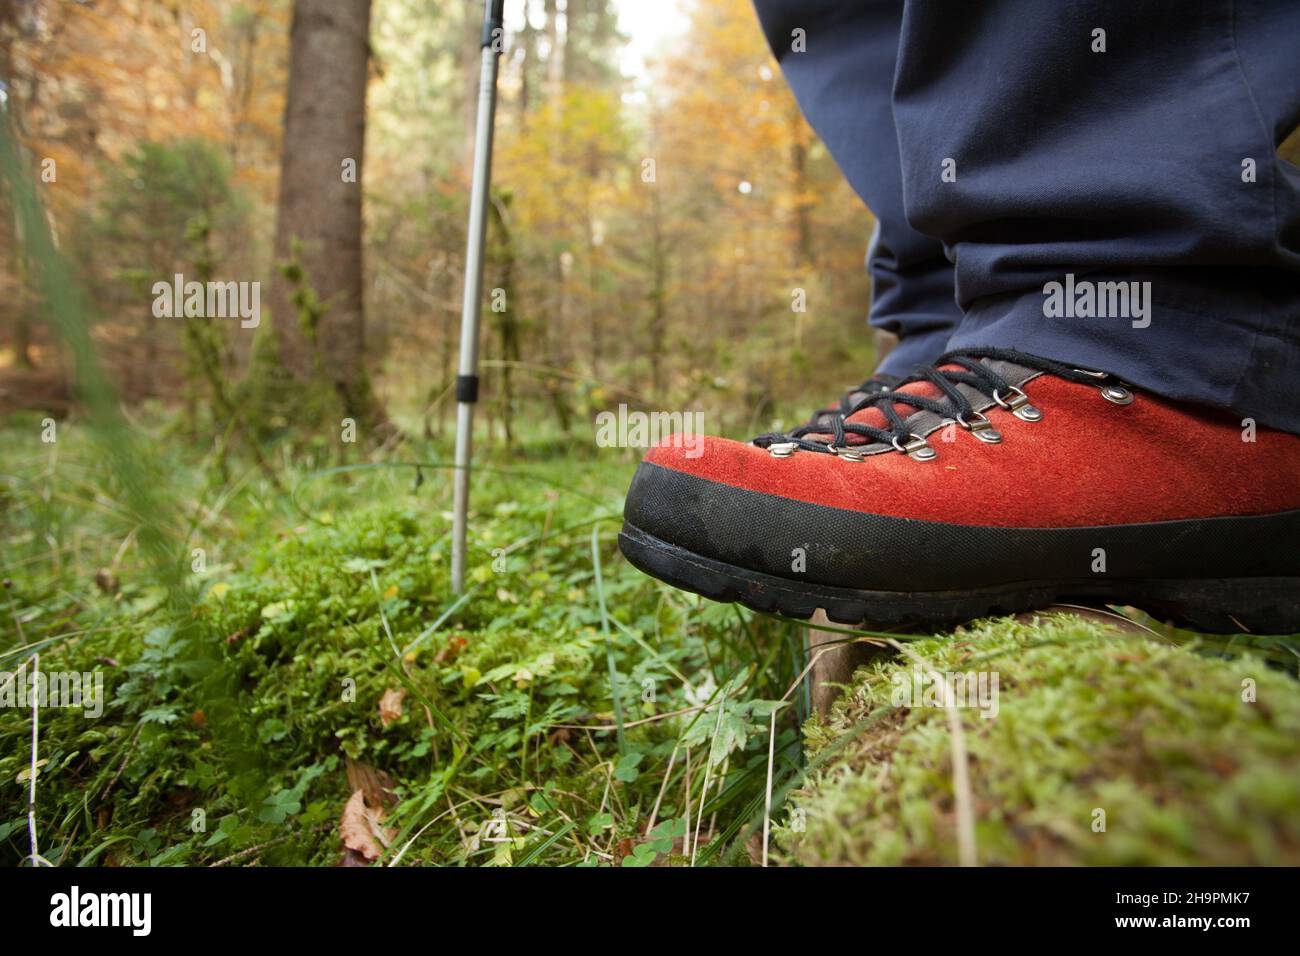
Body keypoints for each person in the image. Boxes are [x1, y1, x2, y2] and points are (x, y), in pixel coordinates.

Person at [618, 0, 1300, 634]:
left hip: (1169, 341)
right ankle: (963, 330)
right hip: (964, 303)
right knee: (859, 19)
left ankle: (1132, 333)